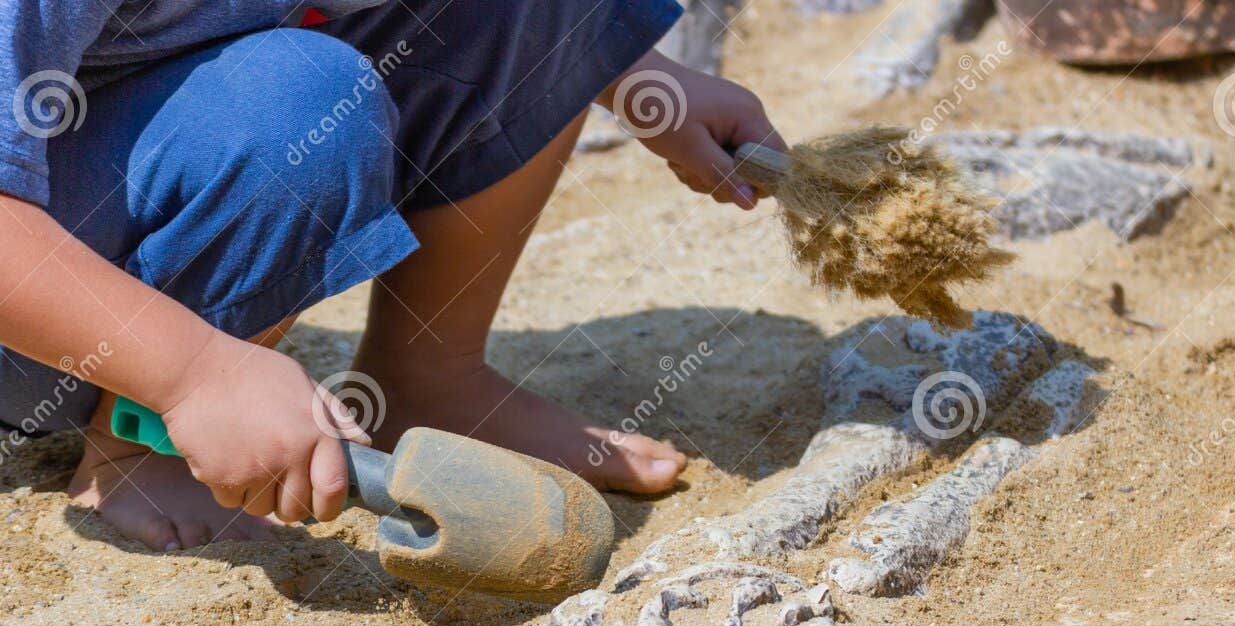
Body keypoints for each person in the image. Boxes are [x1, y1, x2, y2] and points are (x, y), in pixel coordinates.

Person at [0, 1, 783, 551]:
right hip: (36, 312)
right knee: (301, 108)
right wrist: (193, 373)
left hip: (125, 152)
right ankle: (137, 450)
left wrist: (636, 78)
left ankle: (430, 375)